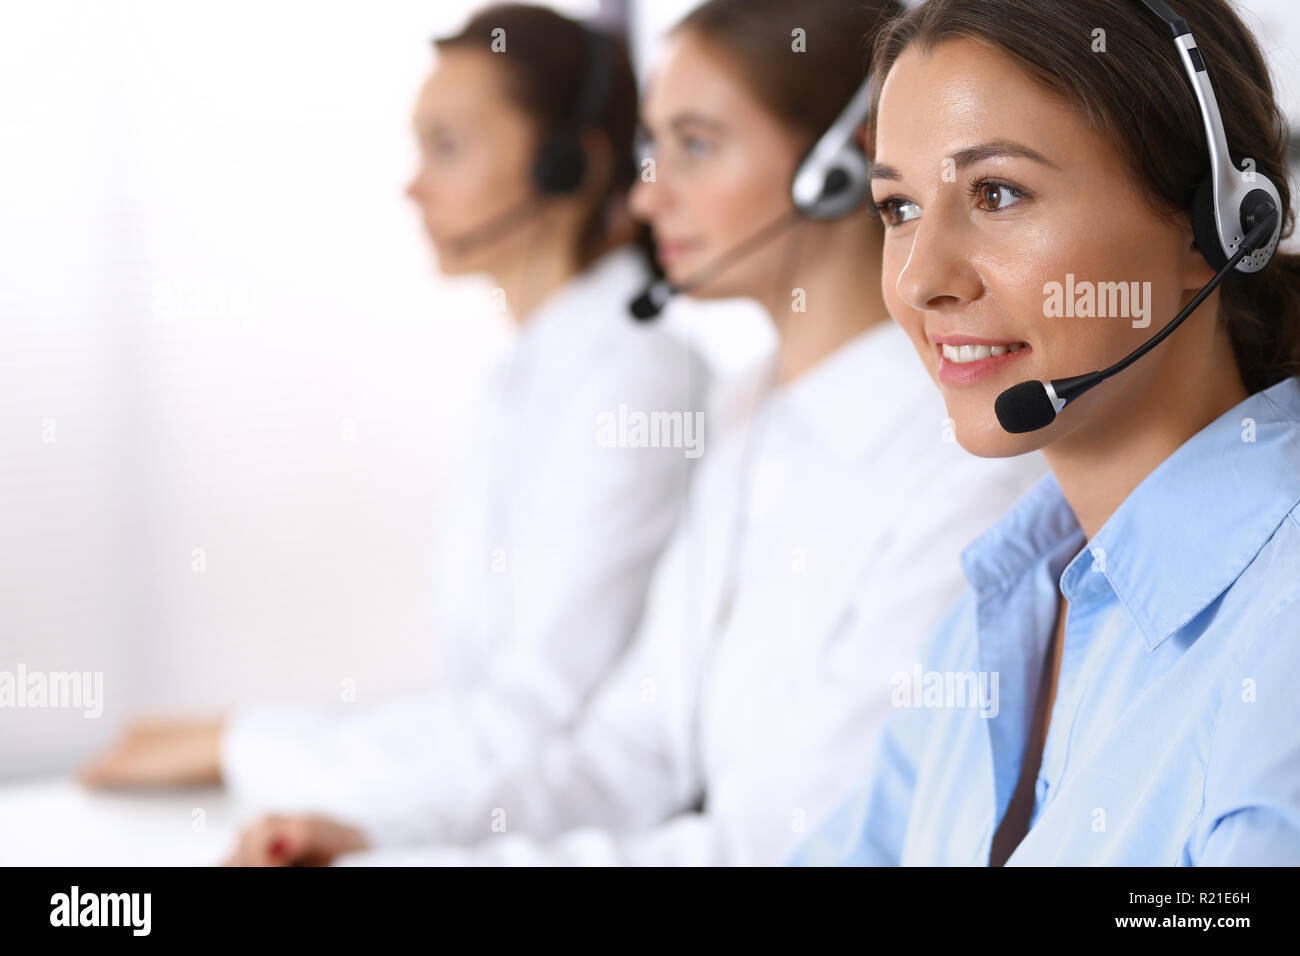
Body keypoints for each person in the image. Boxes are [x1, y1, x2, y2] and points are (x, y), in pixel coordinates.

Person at [220, 0, 1045, 867]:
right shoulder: (744, 416)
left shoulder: (964, 462)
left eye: (695, 144)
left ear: (843, 163)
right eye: (655, 148)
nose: (648, 195)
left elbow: (790, 846)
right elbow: (626, 754)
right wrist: (375, 840)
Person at [78, 4, 707, 834]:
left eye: (448, 146)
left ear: (568, 166)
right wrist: (244, 738)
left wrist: (239, 745)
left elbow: (530, 719)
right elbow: (481, 697)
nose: (414, 185)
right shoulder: (525, 374)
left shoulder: (635, 387)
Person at [791, 0, 1300, 866]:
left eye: (996, 193)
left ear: (1215, 226)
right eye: (898, 209)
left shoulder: (1279, 628)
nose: (920, 282)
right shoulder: (1004, 606)